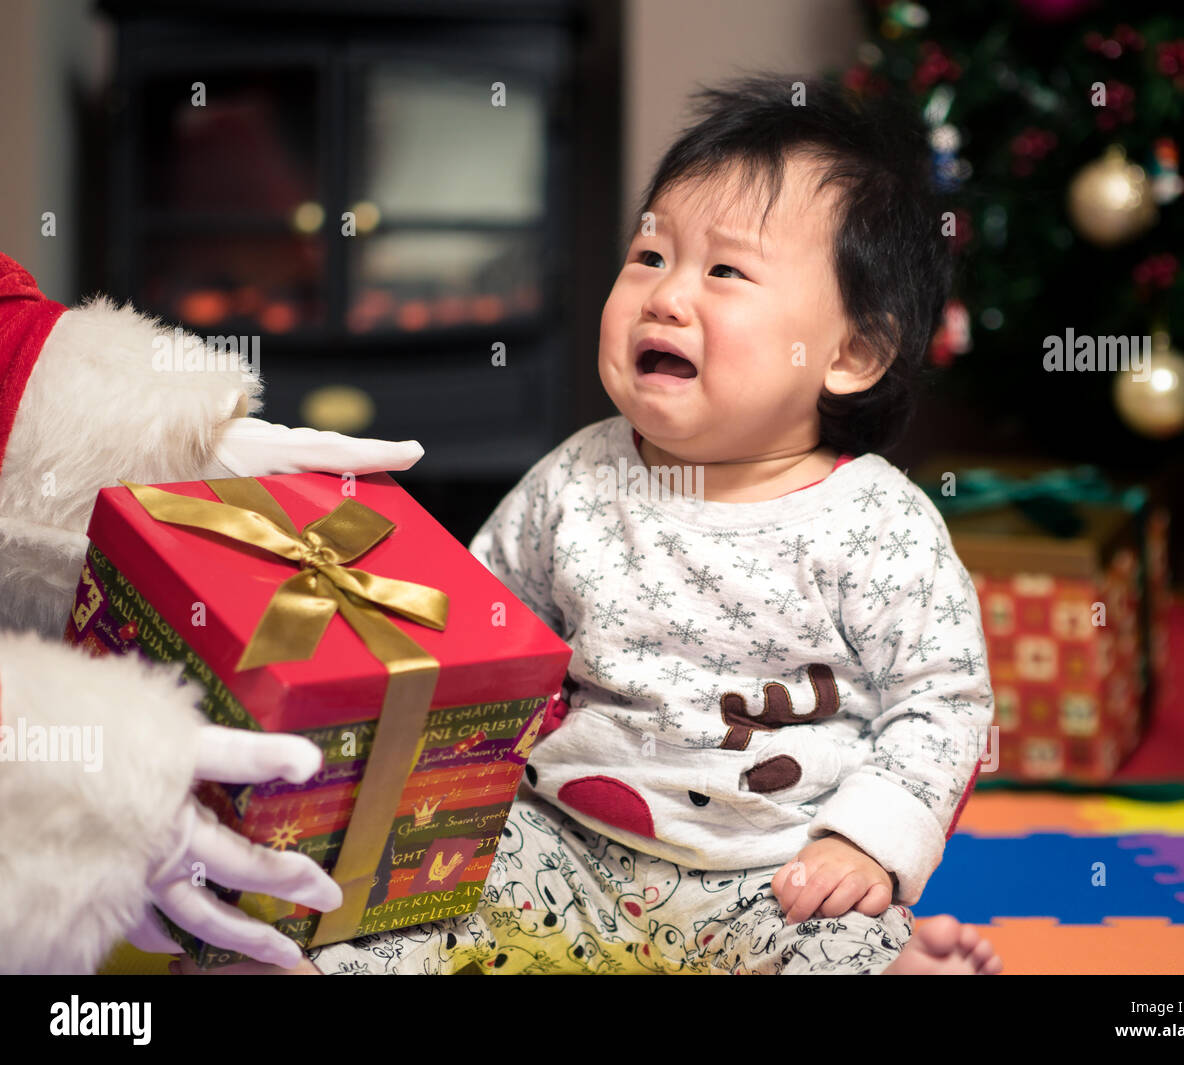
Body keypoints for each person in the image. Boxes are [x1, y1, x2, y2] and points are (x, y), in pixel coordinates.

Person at [259, 73, 1003, 975]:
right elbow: (479, 630)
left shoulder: (879, 523)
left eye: (725, 271)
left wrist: (867, 843)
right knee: (404, 882)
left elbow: (942, 702)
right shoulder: (577, 477)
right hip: (556, 845)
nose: (666, 295)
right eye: (650, 256)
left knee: (839, 938)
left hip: (770, 873)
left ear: (849, 353)